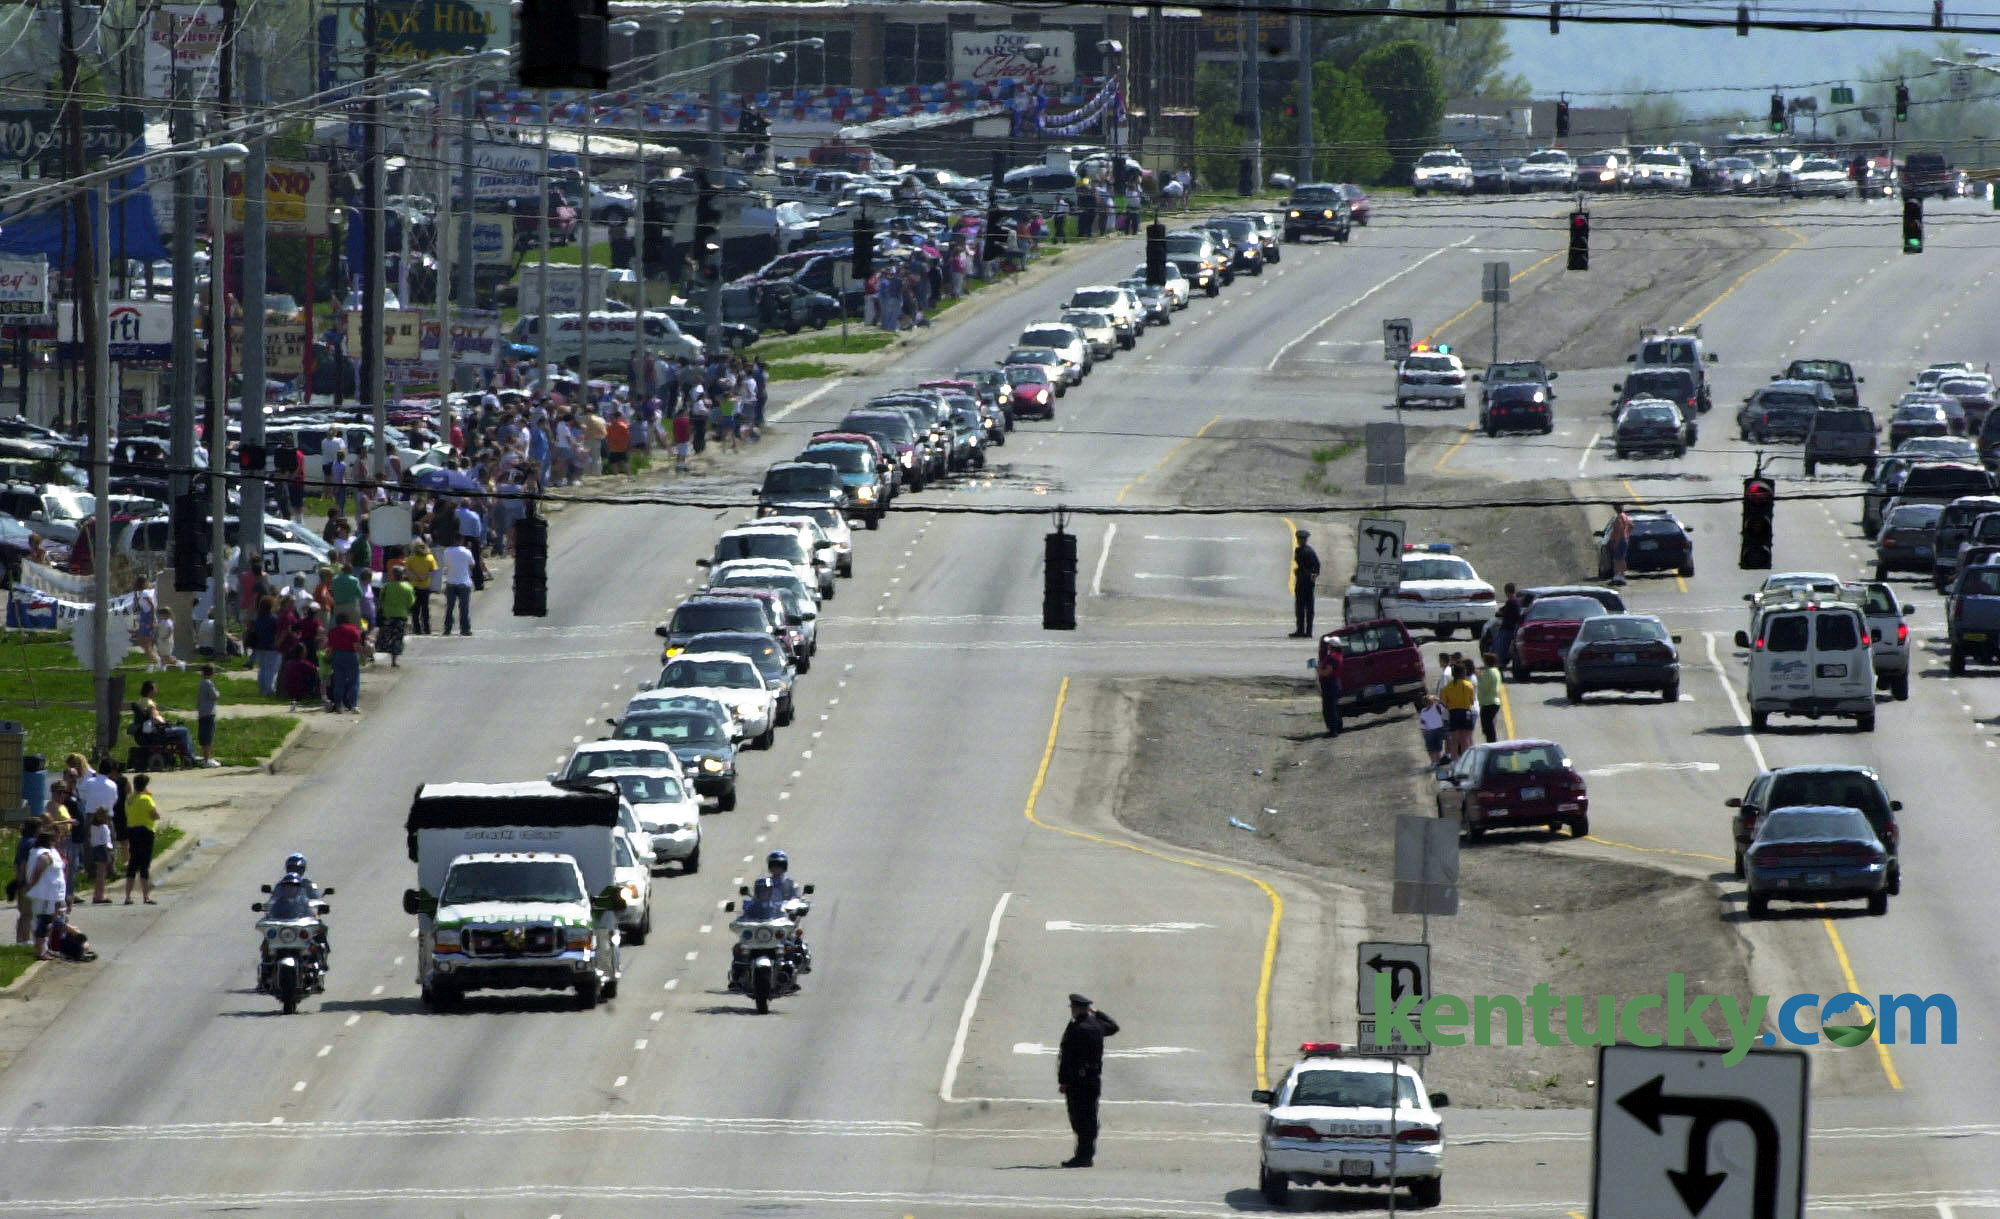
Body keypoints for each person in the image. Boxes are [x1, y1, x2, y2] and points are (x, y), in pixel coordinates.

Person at [1057, 993, 1120, 1168]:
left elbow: (1068, 1057)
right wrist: (1097, 1012)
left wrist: (1063, 1080)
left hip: (1078, 1081)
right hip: (1092, 1080)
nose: (1072, 1010)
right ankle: (1085, 1154)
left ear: (1077, 1008)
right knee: (1089, 1117)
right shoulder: (1096, 1025)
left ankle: (1083, 1156)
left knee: (1079, 1118)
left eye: (1073, 1007)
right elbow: (1114, 1027)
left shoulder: (1078, 1028)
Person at [24, 829, 66, 960]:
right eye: (55, 839)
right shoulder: (44, 853)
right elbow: (41, 865)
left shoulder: (38, 851)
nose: (58, 840)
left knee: (43, 920)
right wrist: (32, 883)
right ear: (50, 841)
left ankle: (43, 948)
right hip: (45, 893)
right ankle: (41, 951)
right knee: (43, 921)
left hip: (48, 893)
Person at [135, 680, 198, 766]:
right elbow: (155, 719)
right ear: (151, 690)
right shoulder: (149, 703)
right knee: (184, 731)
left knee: (180, 730)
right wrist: (165, 723)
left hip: (142, 734)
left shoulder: (139, 702)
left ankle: (186, 757)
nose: (156, 691)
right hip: (156, 734)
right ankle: (190, 757)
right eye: (155, 689)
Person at [123, 774, 158, 904]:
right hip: (146, 831)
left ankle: (127, 896)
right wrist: (149, 796)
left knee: (133, 862)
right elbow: (155, 815)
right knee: (144, 864)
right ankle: (146, 896)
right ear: (145, 786)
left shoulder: (129, 799)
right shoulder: (146, 799)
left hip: (132, 830)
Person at [325, 610, 363, 713]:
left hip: (338, 656)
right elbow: (356, 646)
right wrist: (362, 655)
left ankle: (339, 705)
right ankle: (353, 705)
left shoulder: (332, 631)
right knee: (354, 682)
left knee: (339, 681)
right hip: (351, 656)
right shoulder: (353, 630)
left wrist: (327, 658)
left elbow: (330, 648)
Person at [1441, 661, 1479, 759]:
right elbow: (1472, 701)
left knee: (1454, 740)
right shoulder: (1468, 685)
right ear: (1462, 673)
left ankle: (1454, 762)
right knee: (1465, 739)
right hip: (1466, 712)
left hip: (1453, 713)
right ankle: (1465, 760)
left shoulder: (1447, 687)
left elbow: (1444, 703)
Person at [378, 564, 414, 667]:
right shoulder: (407, 587)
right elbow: (411, 602)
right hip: (401, 615)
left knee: (386, 636)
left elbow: (381, 598)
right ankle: (394, 660)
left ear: (392, 575)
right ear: (402, 576)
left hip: (388, 615)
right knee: (398, 638)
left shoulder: (386, 586)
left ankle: (383, 653)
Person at [1290, 530, 1321, 638]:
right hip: (1303, 580)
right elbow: (1316, 566)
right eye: (1299, 539)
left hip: (1305, 581)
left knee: (1305, 607)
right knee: (1302, 607)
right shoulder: (1301, 550)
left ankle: (1306, 631)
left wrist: (1314, 575)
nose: (1300, 541)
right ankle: (1302, 630)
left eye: (1301, 539)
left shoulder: (1307, 551)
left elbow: (1316, 565)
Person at [404, 541, 437, 635]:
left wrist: (416, 577)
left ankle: (417, 629)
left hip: (414, 586)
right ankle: (426, 628)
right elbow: (433, 571)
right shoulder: (430, 558)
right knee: (425, 608)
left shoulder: (410, 559)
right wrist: (425, 577)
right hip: (425, 586)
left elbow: (407, 571)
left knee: (415, 609)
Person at [1476, 653, 1505, 744]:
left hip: (1488, 703)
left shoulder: (1488, 673)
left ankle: (1492, 745)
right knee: (1489, 726)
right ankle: (1492, 743)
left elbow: (1483, 687)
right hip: (1493, 701)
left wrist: (1478, 677)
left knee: (1488, 728)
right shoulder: (1496, 671)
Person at [1492, 584, 1523, 669]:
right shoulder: (1516, 601)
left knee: (1499, 649)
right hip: (1513, 628)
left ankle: (1499, 665)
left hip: (1507, 629)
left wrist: (1501, 613)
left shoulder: (1511, 602)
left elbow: (1504, 613)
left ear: (1507, 592)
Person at [196, 665, 222, 765]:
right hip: (209, 713)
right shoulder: (208, 683)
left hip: (202, 712)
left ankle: (205, 758)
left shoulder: (202, 682)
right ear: (211, 673)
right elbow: (214, 696)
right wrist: (218, 692)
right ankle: (207, 760)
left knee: (203, 736)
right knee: (208, 736)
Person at [1606, 505, 1634, 585]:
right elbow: (1631, 526)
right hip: (1624, 540)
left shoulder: (1619, 518)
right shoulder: (1625, 516)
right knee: (1622, 558)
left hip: (1619, 540)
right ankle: (1621, 575)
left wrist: (1616, 542)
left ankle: (1617, 576)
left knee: (1617, 559)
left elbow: (1619, 531)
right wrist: (1627, 535)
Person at [1418, 697, 1449, 767]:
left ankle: (1433, 762)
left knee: (1431, 748)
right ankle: (1437, 762)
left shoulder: (1423, 710)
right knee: (1438, 748)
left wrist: (1423, 732)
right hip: (1439, 730)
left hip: (1429, 731)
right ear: (1433, 701)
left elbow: (1422, 723)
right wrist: (1438, 699)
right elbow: (1446, 707)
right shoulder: (1438, 707)